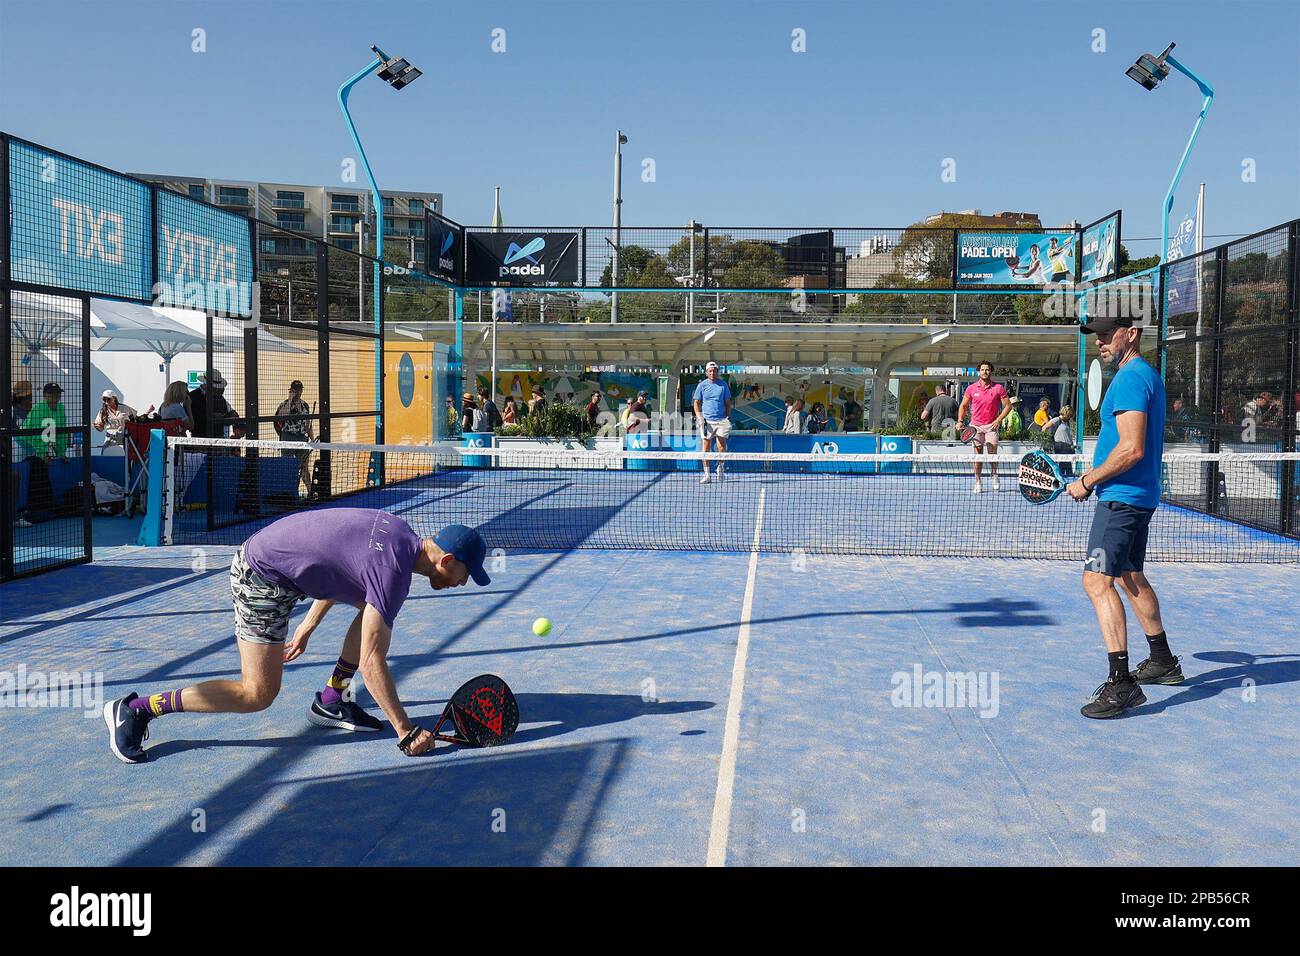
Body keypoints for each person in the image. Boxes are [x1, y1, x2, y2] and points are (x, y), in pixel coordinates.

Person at [104, 513, 492, 763]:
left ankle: (330, 699)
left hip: (285, 568)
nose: (462, 582)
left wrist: (307, 625)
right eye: (466, 574)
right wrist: (406, 731)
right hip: (262, 576)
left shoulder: (400, 534)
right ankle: (138, 707)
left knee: (368, 610)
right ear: (446, 561)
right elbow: (373, 663)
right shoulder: (393, 574)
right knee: (257, 694)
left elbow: (339, 565)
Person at [1068, 313, 1178, 719]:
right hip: (1138, 496)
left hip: (1121, 498)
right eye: (1096, 336)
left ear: (1131, 334)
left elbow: (1131, 449)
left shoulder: (1131, 378)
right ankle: (1163, 659)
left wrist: (1088, 480)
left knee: (1096, 582)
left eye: (1106, 334)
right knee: (1131, 575)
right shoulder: (1147, 375)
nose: (1099, 342)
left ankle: (1121, 683)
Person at [954, 362, 1010, 493]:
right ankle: (978, 481)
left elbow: (1008, 406)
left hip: (991, 426)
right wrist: (960, 421)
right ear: (978, 372)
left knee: (992, 452)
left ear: (991, 372)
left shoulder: (998, 388)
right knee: (978, 454)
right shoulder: (971, 389)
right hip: (976, 426)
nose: (985, 372)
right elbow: (963, 405)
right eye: (983, 369)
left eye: (988, 370)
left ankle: (994, 474)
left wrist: (999, 420)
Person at [692, 361, 732, 484]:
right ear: (706, 372)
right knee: (706, 447)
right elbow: (696, 402)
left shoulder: (723, 385)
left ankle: (721, 467)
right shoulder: (702, 386)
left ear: (717, 372)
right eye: (710, 370)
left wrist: (727, 416)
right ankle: (707, 474)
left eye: (714, 370)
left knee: (721, 446)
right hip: (706, 421)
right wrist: (699, 416)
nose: (712, 372)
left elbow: (728, 403)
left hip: (721, 420)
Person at [274, 381, 314, 491]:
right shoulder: (284, 405)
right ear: (291, 390)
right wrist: (290, 399)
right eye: (295, 390)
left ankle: (310, 491)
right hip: (288, 437)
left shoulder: (305, 405)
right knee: (287, 466)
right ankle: (289, 491)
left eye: (300, 390)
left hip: (302, 438)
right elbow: (282, 416)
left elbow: (308, 423)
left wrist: (312, 438)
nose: (298, 392)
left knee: (304, 467)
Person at [1044, 405, 1075, 476]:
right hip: (1060, 446)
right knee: (1064, 466)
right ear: (1066, 413)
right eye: (1070, 415)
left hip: (1068, 447)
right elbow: (1044, 427)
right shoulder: (1057, 419)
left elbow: (1067, 435)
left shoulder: (1066, 422)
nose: (1070, 417)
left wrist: (1072, 445)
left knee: (1067, 467)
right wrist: (1046, 440)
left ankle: (1066, 482)